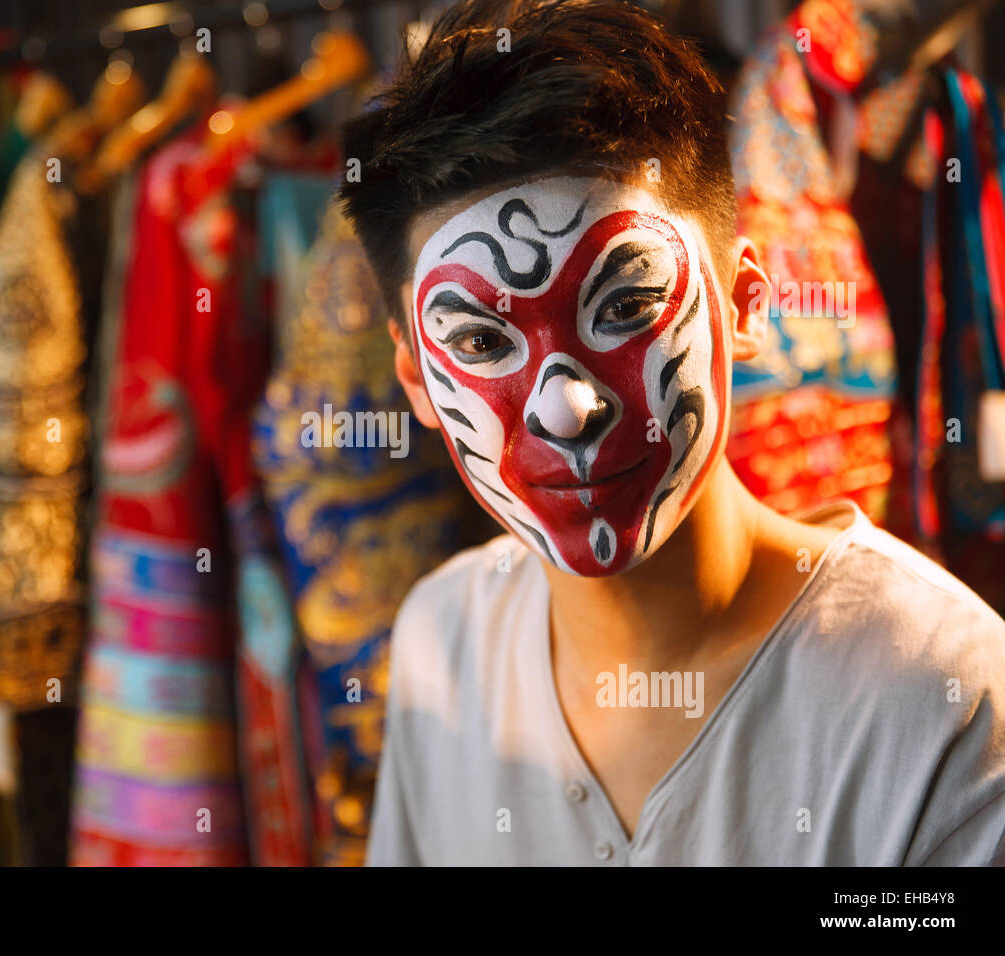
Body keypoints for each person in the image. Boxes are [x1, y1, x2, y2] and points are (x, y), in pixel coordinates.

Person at [337, 0, 1005, 865]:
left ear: (742, 305)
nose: (566, 410)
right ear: (415, 379)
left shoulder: (946, 700)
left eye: (625, 306)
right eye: (479, 341)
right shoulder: (441, 646)